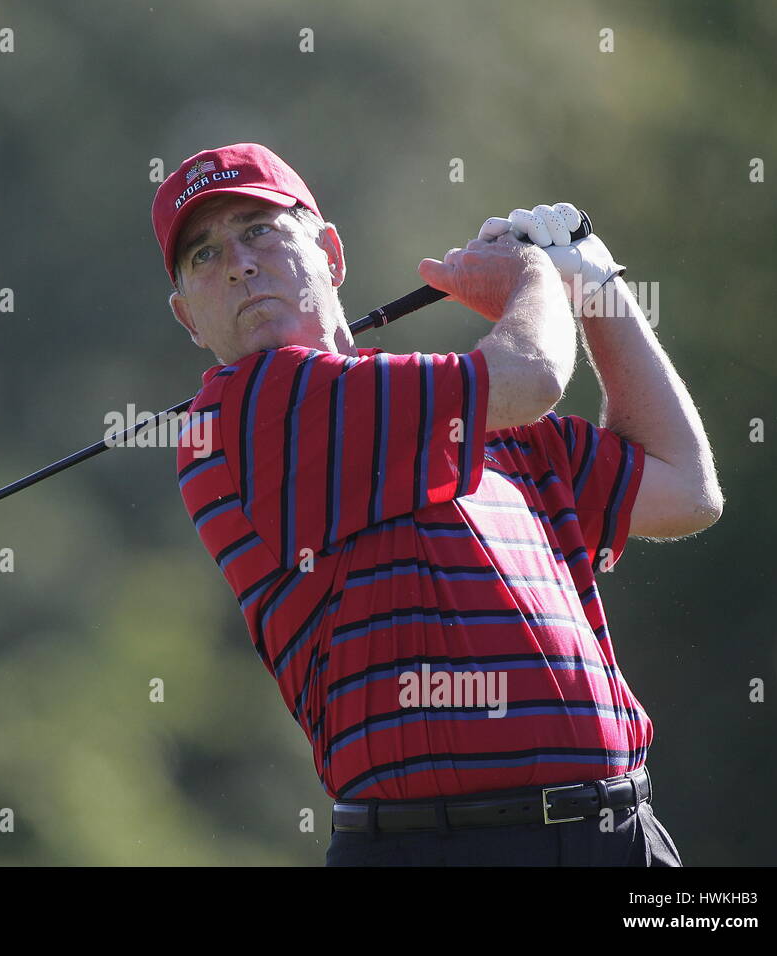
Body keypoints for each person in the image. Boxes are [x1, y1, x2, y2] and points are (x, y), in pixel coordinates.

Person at [152, 143, 722, 866]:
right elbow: (534, 373)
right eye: (203, 255)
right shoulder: (244, 409)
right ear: (189, 320)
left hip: (622, 831)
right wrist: (536, 277)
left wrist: (602, 290)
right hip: (437, 845)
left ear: (329, 252)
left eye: (258, 228)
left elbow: (685, 488)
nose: (236, 262)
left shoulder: (474, 419)